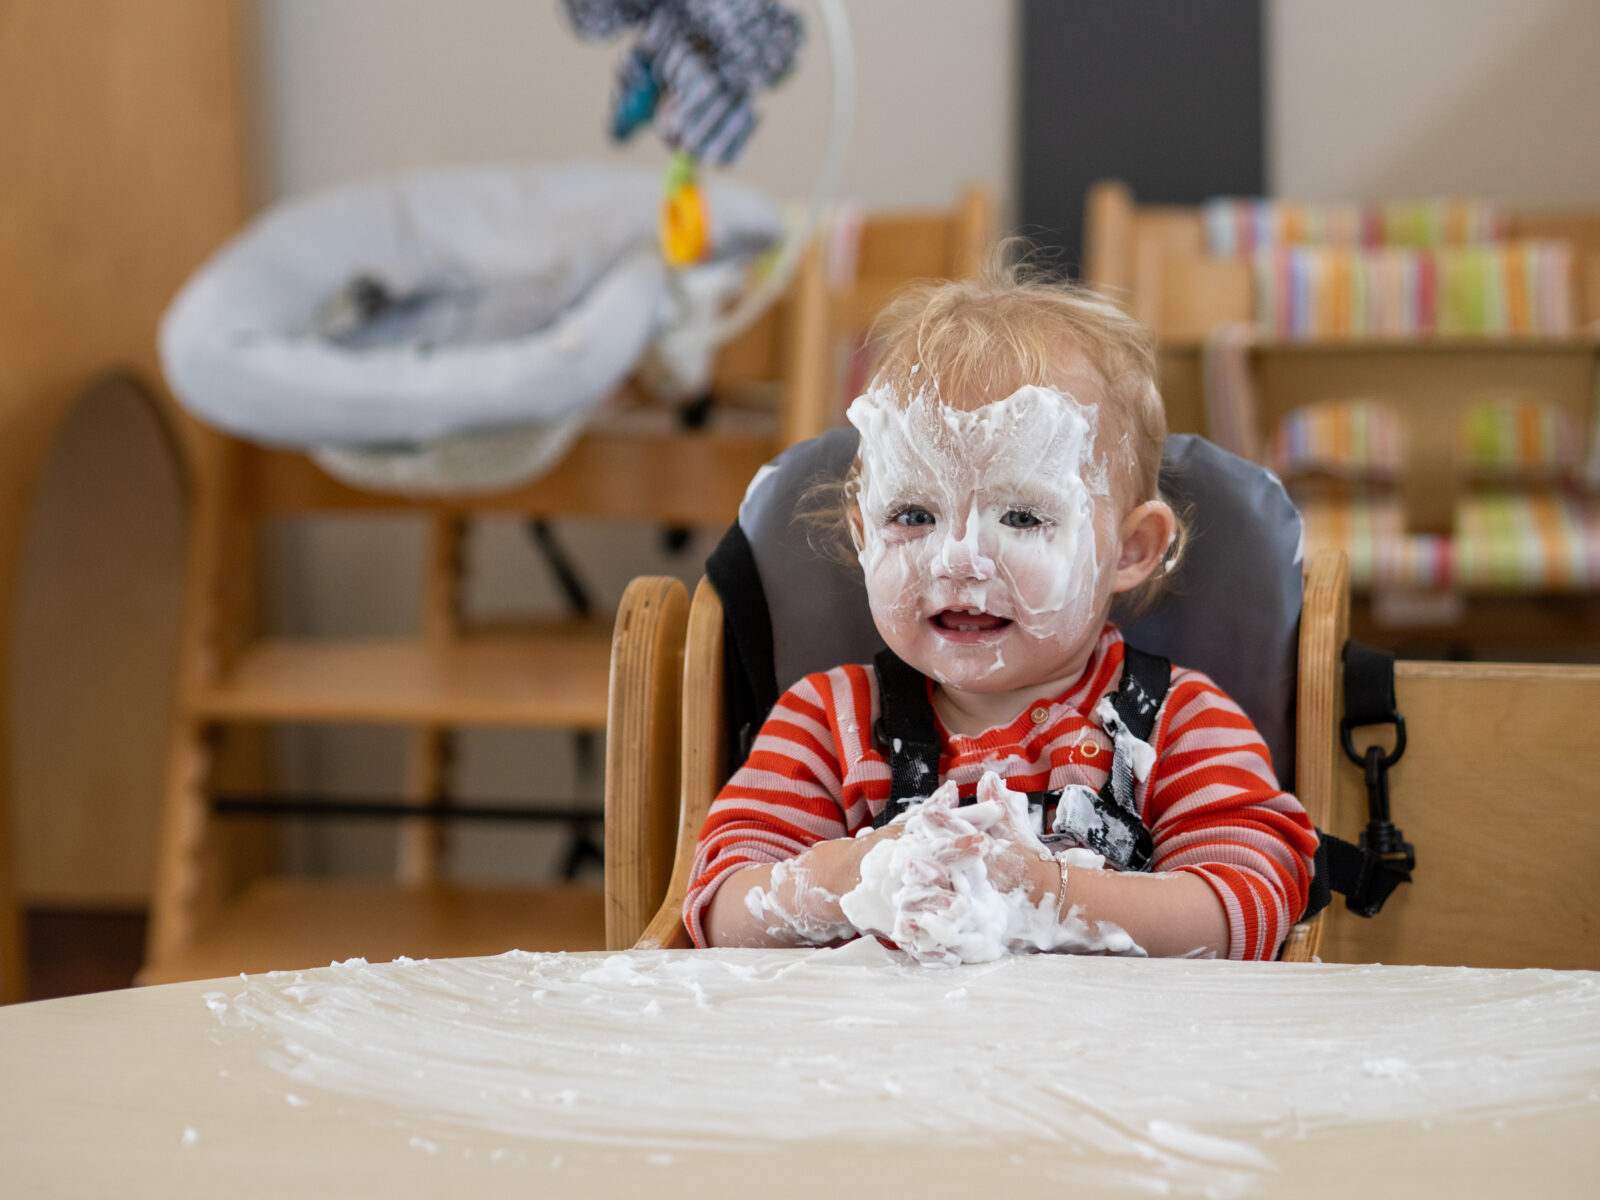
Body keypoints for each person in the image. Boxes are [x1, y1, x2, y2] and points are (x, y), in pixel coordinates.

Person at [684, 263, 1318, 963]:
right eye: (913, 515)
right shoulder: (827, 726)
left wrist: (1041, 893)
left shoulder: (1179, 723)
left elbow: (1252, 908)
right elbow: (719, 912)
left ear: (1130, 550)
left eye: (1020, 516)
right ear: (864, 536)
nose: (959, 560)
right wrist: (863, 876)